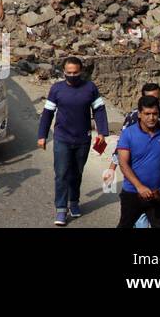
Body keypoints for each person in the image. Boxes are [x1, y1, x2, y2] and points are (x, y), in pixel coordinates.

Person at [37, 56, 109, 225]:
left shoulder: (90, 88)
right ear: (64, 72)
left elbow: (99, 110)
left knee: (76, 173)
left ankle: (74, 201)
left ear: (81, 71)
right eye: (69, 73)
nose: (72, 75)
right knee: (61, 174)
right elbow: (47, 114)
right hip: (62, 138)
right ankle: (61, 209)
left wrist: (102, 132)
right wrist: (42, 135)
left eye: (75, 72)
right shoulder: (56, 89)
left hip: (83, 139)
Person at [115, 95, 160, 228]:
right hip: (132, 193)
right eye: (147, 114)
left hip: (157, 193)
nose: (151, 117)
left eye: (155, 113)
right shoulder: (128, 134)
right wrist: (139, 186)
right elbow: (123, 163)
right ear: (140, 115)